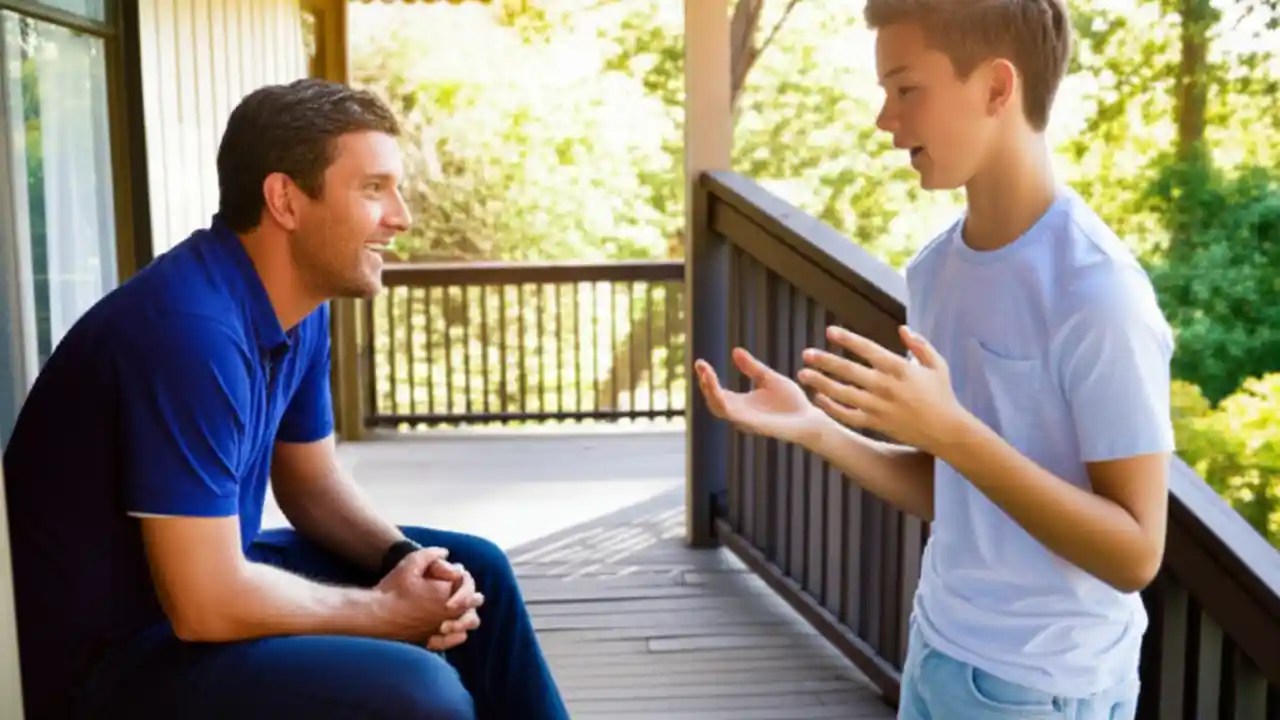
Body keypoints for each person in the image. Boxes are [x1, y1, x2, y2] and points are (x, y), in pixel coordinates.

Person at [3, 79, 568, 720]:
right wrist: (384, 614)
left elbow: (309, 482)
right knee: (417, 692)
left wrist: (407, 564)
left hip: (204, 583)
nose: (402, 217)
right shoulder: (189, 331)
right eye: (374, 188)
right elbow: (206, 604)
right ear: (285, 200)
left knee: (474, 572)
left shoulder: (297, 308)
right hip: (110, 661)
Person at [694, 1, 1173, 718]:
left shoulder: (1095, 291)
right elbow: (960, 493)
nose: (885, 119)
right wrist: (816, 430)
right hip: (939, 649)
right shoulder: (936, 271)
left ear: (996, 88)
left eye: (906, 88)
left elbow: (1135, 554)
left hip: (1040, 685)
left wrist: (951, 431)